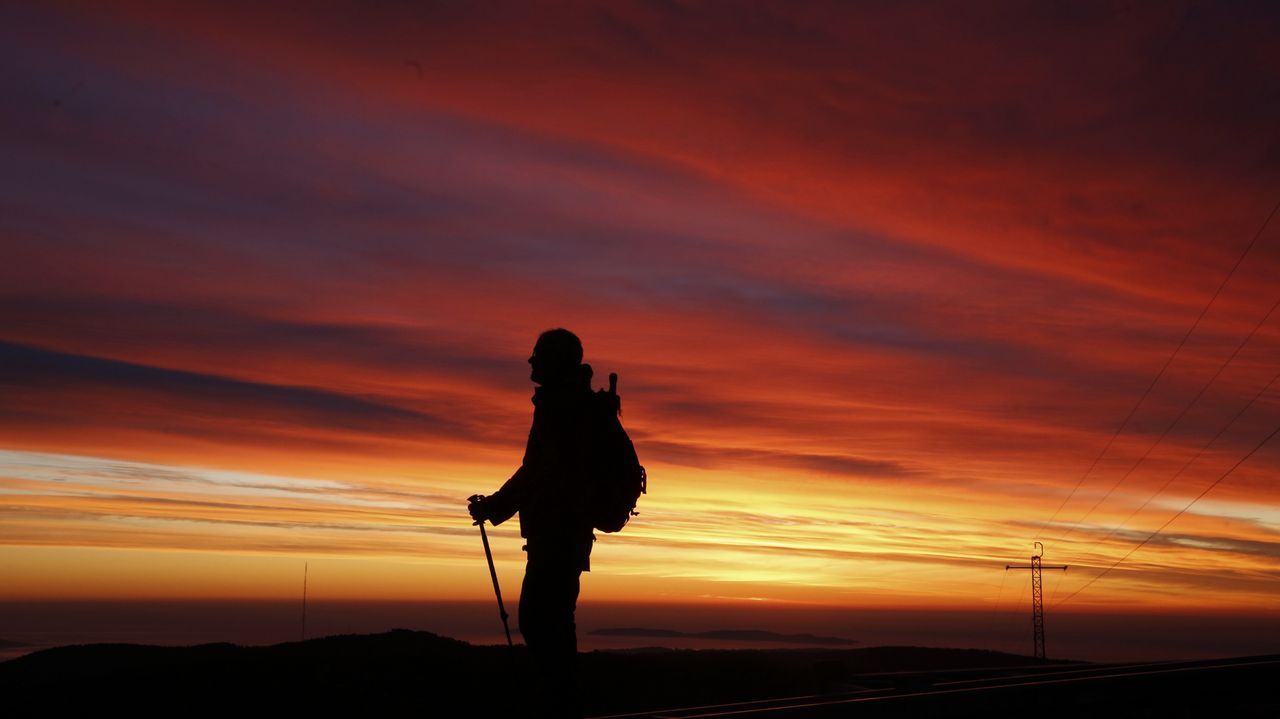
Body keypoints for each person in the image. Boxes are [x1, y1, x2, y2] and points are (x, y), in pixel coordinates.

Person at [469, 328, 597, 718]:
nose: (531, 360)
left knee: (541, 622)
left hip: (559, 534)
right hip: (564, 533)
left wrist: (495, 506)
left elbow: (539, 471)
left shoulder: (561, 405)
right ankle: (563, 703)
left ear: (555, 361)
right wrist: (498, 506)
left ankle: (563, 706)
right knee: (551, 622)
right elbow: (539, 471)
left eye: (538, 354)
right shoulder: (570, 402)